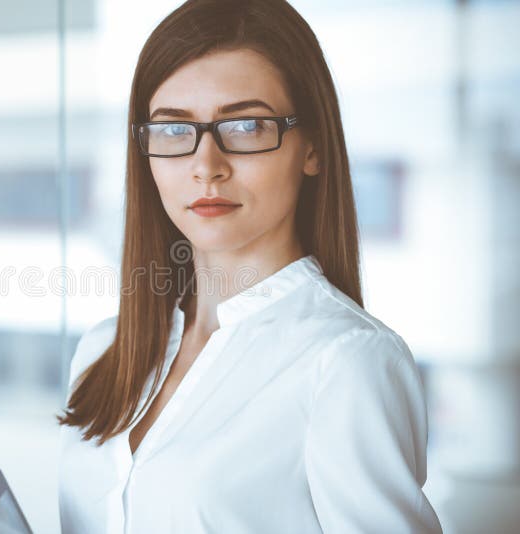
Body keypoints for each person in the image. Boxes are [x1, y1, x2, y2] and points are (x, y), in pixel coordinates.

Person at [55, 0, 443, 532]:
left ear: (312, 147)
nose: (206, 167)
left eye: (246, 126)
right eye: (174, 130)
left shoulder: (346, 363)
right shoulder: (104, 351)